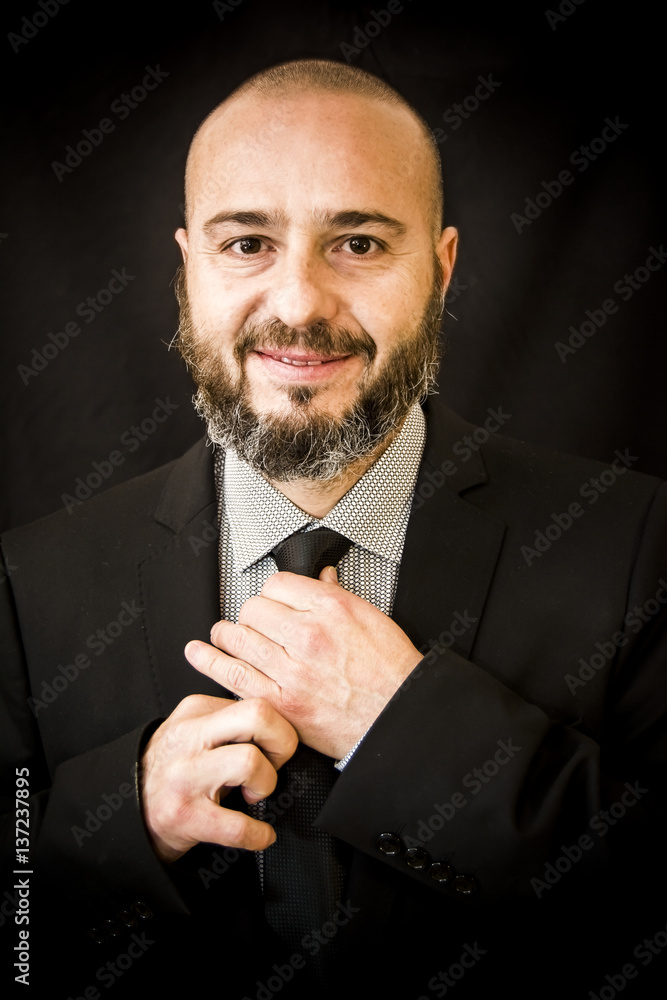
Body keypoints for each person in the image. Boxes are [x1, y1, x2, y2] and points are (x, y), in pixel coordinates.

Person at [1, 59, 666, 999]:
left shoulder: (636, 542)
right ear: (187, 267)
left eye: (356, 243)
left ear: (440, 270)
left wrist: (414, 733)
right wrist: (120, 818)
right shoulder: (29, 580)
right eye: (246, 245)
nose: (300, 304)